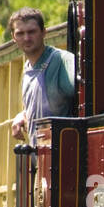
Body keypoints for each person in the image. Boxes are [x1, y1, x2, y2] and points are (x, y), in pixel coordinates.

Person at [9, 8, 75, 141]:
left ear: (44, 32)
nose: (26, 38)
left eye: (32, 32)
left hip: (63, 150)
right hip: (39, 153)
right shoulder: (27, 69)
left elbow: (83, 100)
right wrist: (23, 115)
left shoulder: (62, 60)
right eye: (20, 33)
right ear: (13, 37)